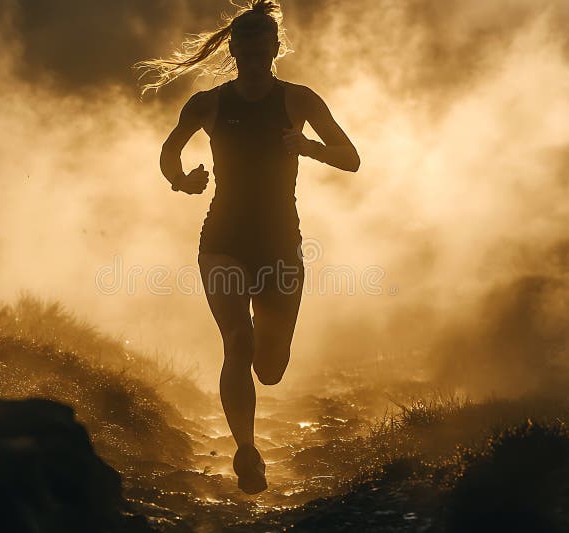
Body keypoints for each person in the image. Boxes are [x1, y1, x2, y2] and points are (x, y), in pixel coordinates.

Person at [135, 0, 360, 494]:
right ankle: (247, 451)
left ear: (275, 50)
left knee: (270, 368)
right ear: (233, 52)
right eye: (247, 52)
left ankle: (260, 373)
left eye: (263, 52)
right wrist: (181, 181)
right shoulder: (208, 104)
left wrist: (309, 148)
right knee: (237, 341)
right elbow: (170, 150)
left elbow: (351, 158)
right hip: (223, 239)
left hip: (280, 244)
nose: (255, 61)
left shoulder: (299, 100)